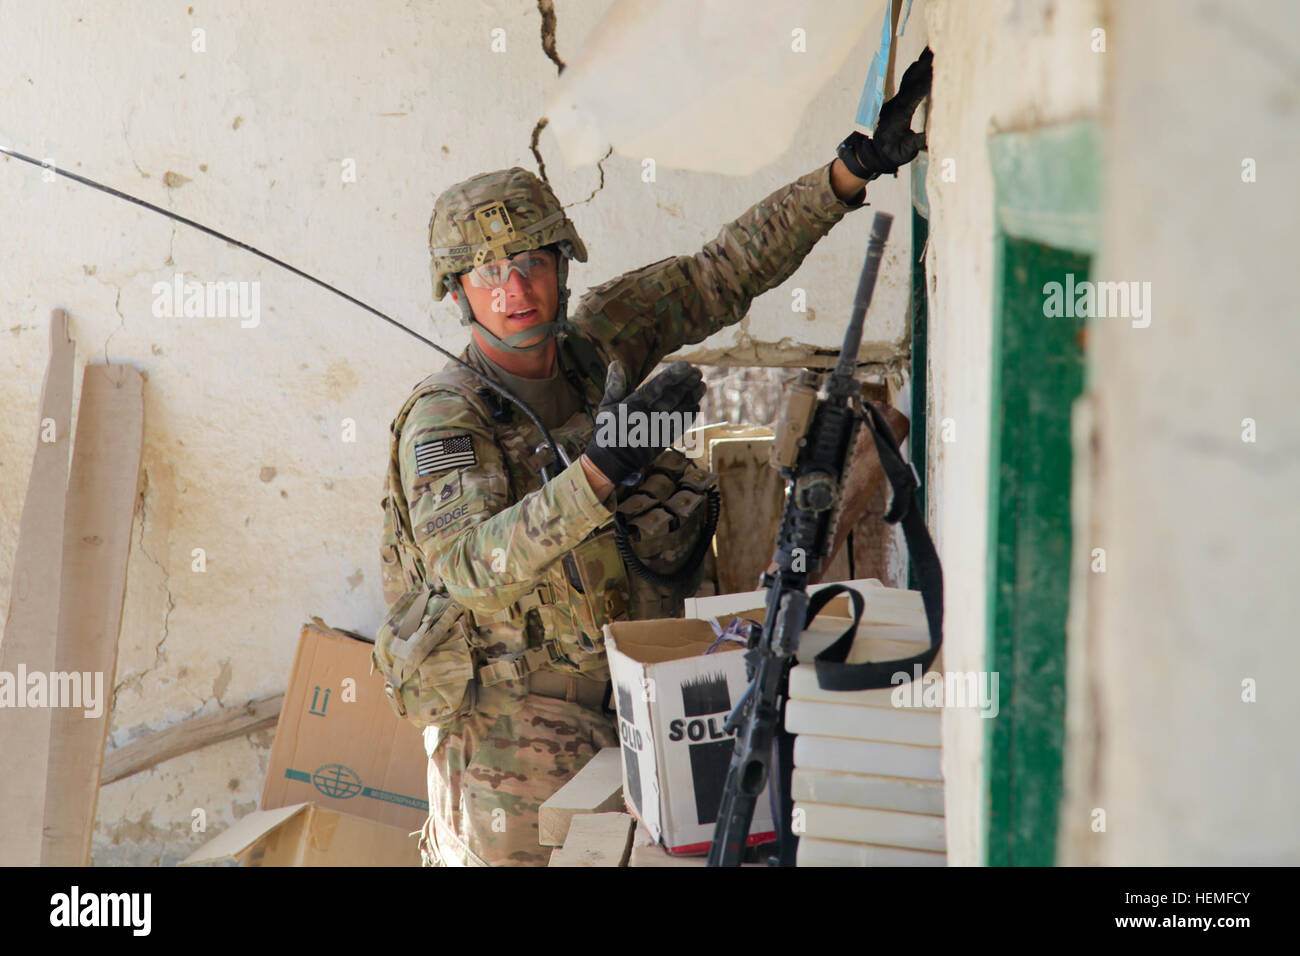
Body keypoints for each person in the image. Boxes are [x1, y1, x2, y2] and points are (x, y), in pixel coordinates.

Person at [380, 50, 933, 866]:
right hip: (509, 741)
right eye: (489, 272)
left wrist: (847, 174)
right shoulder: (446, 416)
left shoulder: (594, 341)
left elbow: (718, 274)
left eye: (530, 262)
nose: (514, 289)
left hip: (635, 694)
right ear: (458, 291)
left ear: (562, 267)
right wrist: (601, 469)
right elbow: (465, 567)